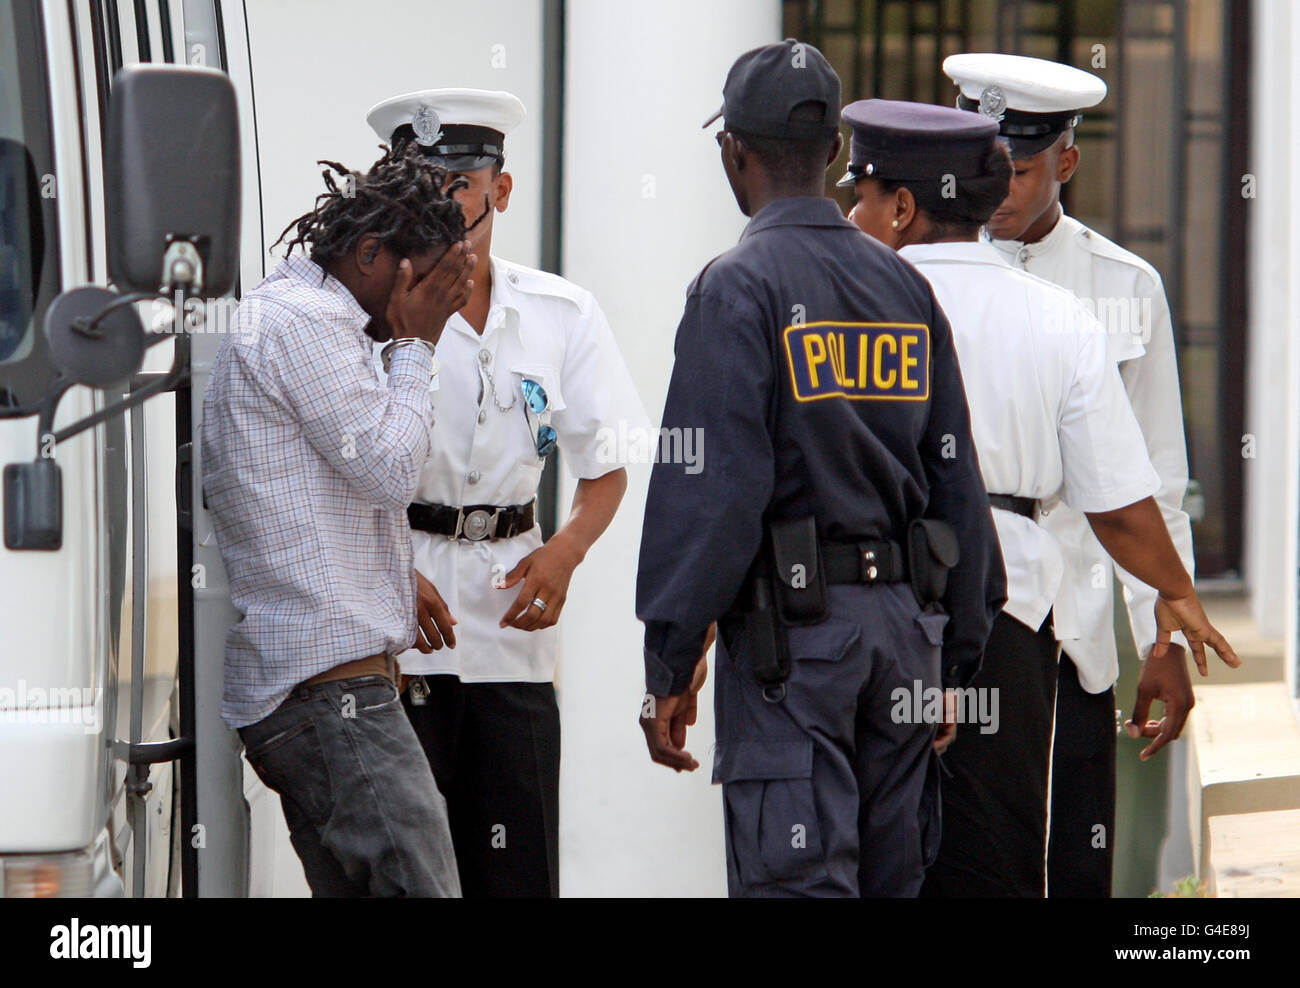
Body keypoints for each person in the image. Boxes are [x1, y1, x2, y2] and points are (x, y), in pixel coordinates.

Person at [840, 97, 1240, 897]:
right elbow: (1125, 499)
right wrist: (1174, 594)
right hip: (1008, 612)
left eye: (864, 195)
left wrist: (1154, 631)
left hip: (929, 614)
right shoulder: (1054, 318)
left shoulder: (850, 295)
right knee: (999, 858)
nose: (853, 212)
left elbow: (1154, 477)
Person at [635, 40, 1007, 898]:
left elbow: (714, 492)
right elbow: (955, 478)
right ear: (836, 153)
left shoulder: (735, 289)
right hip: (902, 644)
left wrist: (670, 661)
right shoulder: (905, 290)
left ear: (733, 150)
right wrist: (954, 661)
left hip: (794, 653)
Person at [364, 88, 647, 897]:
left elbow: (608, 459)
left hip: (513, 614)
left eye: (457, 185)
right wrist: (387, 564)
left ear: (501, 189)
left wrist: (566, 549)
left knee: (517, 866)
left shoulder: (561, 313)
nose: (441, 204)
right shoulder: (373, 311)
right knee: (409, 870)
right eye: (419, 184)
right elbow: (339, 464)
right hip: (400, 613)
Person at [944, 52, 1199, 897]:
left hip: (1075, 627)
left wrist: (1163, 636)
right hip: (952, 615)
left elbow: (1154, 477)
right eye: (986, 169)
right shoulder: (923, 275)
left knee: (1070, 863)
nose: (1000, 191)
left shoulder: (1124, 287)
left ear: (1067, 161)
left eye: (1018, 170)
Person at [201, 146, 475, 896]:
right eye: (425, 285)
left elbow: (320, 483)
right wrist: (419, 343)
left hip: (329, 697)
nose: (430, 305)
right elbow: (389, 469)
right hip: (333, 701)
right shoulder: (306, 322)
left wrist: (389, 573)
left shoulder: (310, 316)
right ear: (368, 254)